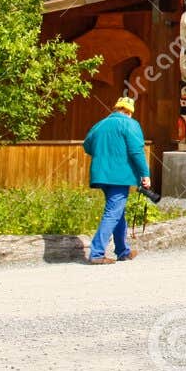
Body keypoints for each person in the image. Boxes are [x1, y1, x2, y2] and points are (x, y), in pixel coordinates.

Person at [82, 95, 151, 265]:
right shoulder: (130, 124)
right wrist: (145, 174)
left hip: (101, 174)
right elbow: (136, 151)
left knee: (117, 210)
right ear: (130, 112)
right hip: (120, 176)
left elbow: (87, 145)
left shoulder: (100, 124)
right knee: (113, 211)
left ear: (116, 108)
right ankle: (97, 253)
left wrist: (103, 154)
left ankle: (122, 251)